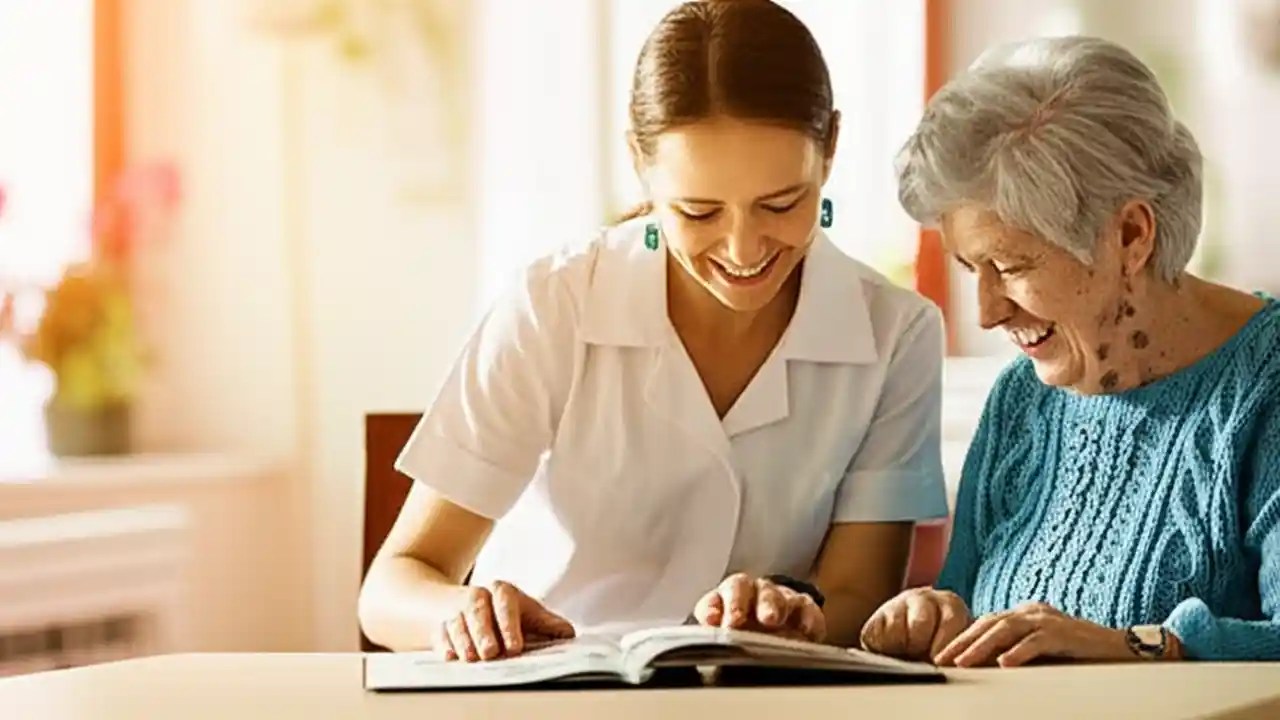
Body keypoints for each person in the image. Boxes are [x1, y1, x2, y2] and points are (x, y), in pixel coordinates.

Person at [357, 0, 949, 662]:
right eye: (698, 211)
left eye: (781, 204)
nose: (743, 248)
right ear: (640, 163)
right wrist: (459, 611)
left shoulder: (897, 333)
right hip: (554, 689)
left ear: (831, 149)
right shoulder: (555, 305)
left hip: (762, 698)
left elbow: (858, 597)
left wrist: (794, 618)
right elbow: (393, 587)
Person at [860, 35, 1280, 666]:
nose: (988, 310)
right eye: (971, 267)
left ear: (1131, 235)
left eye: (1009, 264)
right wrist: (931, 620)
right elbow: (969, 621)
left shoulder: (1264, 385)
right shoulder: (1022, 398)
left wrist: (1137, 648)